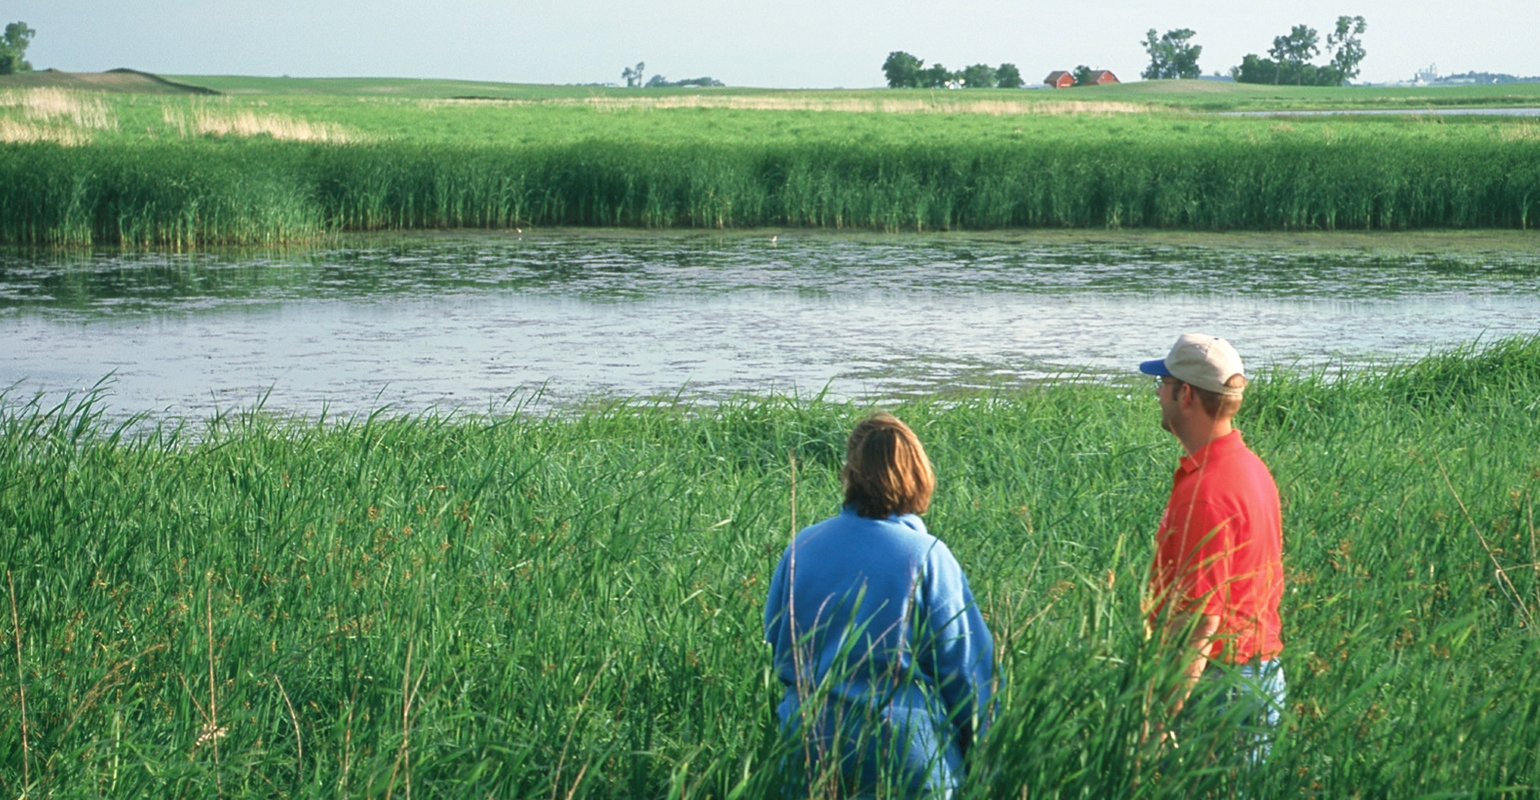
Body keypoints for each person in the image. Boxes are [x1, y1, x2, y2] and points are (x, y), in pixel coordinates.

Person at [763, 412, 994, 797]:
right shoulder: (927, 556)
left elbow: (780, 651)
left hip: (808, 751)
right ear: (919, 473)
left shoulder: (802, 547)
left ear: (849, 473)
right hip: (907, 759)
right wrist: (986, 758)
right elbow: (969, 673)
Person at [1138, 333, 1285, 762]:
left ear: (1185, 395)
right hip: (1250, 676)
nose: (1158, 395)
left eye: (1163, 384)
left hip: (1222, 688)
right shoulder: (1247, 467)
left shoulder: (1208, 492)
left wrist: (1157, 722)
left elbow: (1199, 623)